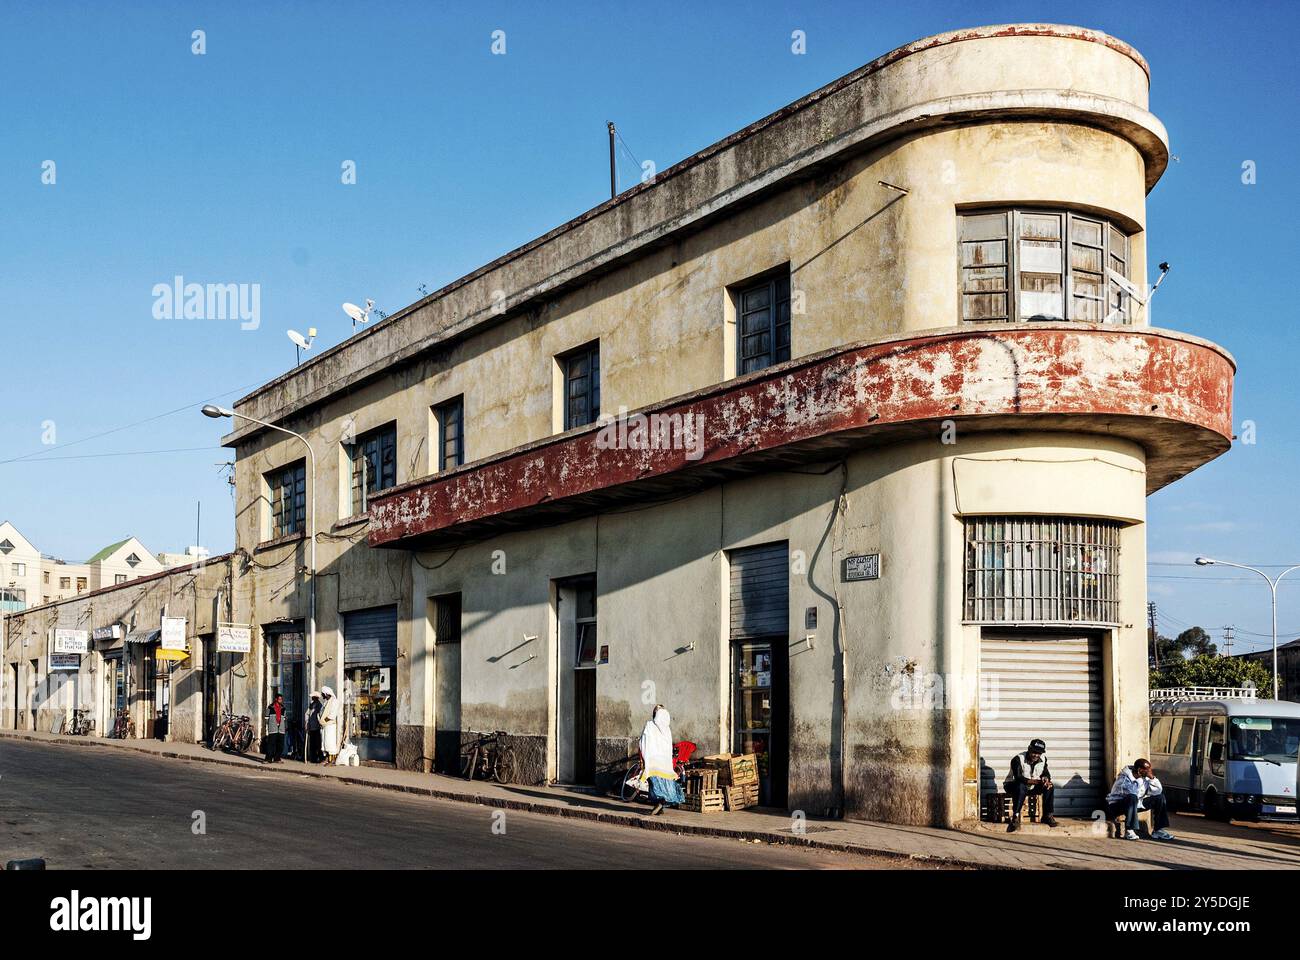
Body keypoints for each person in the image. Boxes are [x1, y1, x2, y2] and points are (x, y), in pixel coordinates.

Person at [1106, 758, 1173, 840]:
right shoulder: (1124, 779)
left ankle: (1158, 830)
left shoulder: (1144, 777)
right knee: (1132, 797)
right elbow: (1133, 793)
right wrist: (1140, 781)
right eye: (1147, 769)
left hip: (1135, 803)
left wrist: (1152, 778)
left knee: (1160, 798)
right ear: (1139, 770)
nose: (1149, 771)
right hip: (1117, 805)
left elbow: (1157, 791)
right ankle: (1129, 830)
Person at [1004, 738, 1058, 831]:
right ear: (1029, 749)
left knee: (1049, 786)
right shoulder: (1018, 759)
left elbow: (1046, 773)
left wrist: (1046, 779)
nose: (1036, 755)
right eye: (1034, 752)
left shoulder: (1043, 759)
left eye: (1039, 753)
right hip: (1013, 785)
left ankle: (1047, 815)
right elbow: (1019, 777)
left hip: (1031, 787)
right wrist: (1037, 782)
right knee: (1021, 786)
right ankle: (1015, 818)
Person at [638, 704, 684, 816]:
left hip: (653, 763)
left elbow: (643, 742)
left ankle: (659, 804)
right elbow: (668, 748)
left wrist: (644, 758)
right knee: (664, 784)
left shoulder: (649, 725)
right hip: (664, 764)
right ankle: (660, 806)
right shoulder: (667, 729)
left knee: (654, 785)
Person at [320, 685, 341, 764]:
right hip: (325, 725)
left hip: (330, 725)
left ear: (326, 694)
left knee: (330, 742)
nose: (322, 695)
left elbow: (332, 714)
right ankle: (326, 758)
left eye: (322, 694)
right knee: (324, 742)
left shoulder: (334, 701)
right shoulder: (326, 702)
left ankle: (331, 760)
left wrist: (324, 720)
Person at [264, 693, 287, 764]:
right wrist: (270, 725)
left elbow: (285, 718)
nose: (281, 700)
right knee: (271, 744)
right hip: (273, 728)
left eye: (281, 699)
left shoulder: (283, 708)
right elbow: (266, 718)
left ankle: (277, 758)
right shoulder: (270, 708)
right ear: (276, 699)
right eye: (279, 699)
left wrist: (285, 726)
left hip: (281, 728)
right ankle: (268, 759)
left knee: (280, 744)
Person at [306, 690, 323, 764]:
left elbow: (320, 716)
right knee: (312, 743)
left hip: (317, 727)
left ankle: (319, 757)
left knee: (318, 744)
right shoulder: (311, 705)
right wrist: (307, 723)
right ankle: (313, 758)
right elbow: (307, 714)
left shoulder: (319, 705)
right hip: (311, 726)